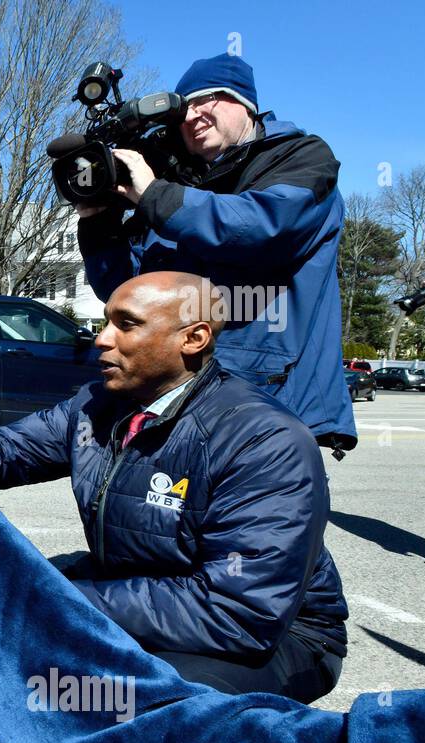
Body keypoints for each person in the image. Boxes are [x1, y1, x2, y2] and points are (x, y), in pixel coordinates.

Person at [0, 271, 348, 703]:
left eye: (126, 325)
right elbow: (5, 455)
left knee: (127, 708)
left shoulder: (262, 439)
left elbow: (237, 611)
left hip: (275, 636)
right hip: (134, 588)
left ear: (192, 339)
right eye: (105, 321)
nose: (101, 339)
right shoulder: (96, 405)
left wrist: (51, 600)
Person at [75, 53, 355, 454]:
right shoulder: (170, 189)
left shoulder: (301, 158)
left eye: (207, 99)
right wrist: (98, 222)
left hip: (269, 406)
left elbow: (260, 228)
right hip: (172, 401)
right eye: (181, 109)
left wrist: (156, 195)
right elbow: (122, 291)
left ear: (246, 104)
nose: (192, 115)